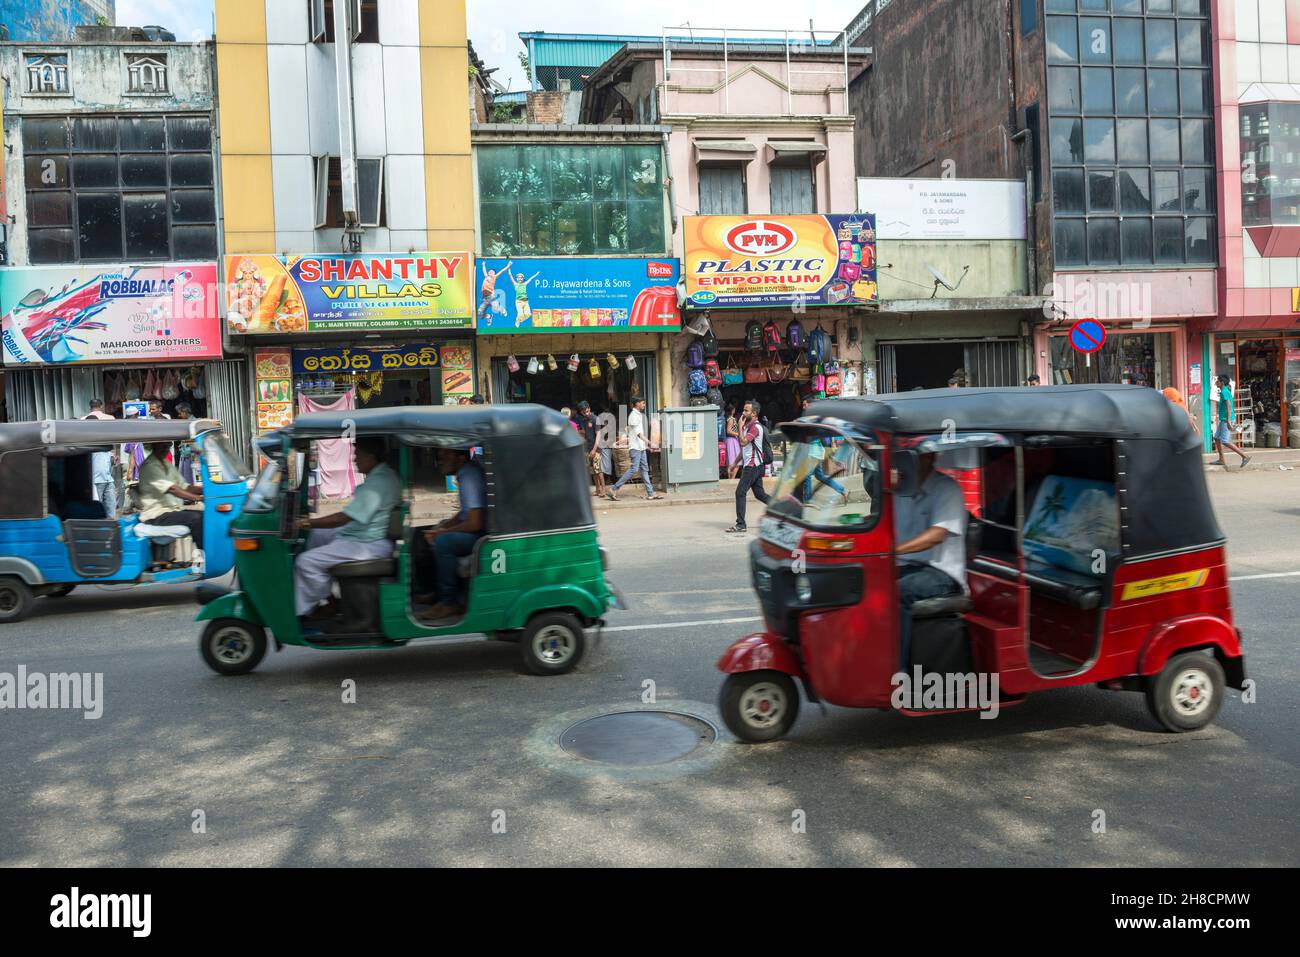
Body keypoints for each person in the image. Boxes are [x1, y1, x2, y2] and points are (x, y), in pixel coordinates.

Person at [293, 437, 401, 622]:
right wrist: (312, 525)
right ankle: (326, 594)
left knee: (305, 562)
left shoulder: (378, 483)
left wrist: (308, 523)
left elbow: (344, 517)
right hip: (363, 533)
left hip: (368, 541)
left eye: (357, 455)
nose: (354, 459)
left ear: (372, 457)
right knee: (317, 535)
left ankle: (328, 604)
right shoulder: (380, 476)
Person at [894, 452, 967, 667]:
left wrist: (893, 550)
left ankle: (899, 671)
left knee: (898, 592)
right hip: (906, 566)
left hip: (941, 573)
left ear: (929, 457)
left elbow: (936, 535)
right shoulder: (901, 490)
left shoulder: (946, 488)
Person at [415, 448, 486, 622]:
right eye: (440, 456)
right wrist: (443, 525)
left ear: (461, 457)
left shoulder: (468, 475)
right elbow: (465, 512)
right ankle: (435, 592)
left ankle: (448, 602)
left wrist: (442, 532)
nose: (440, 460)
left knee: (443, 542)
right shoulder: (465, 472)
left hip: (480, 536)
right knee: (421, 533)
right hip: (474, 530)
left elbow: (475, 522)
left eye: (446, 455)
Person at [137, 441, 204, 546]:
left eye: (167, 446)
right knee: (196, 519)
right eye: (162, 446)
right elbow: (172, 489)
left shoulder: (166, 463)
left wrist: (206, 490)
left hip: (170, 511)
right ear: (154, 445)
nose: (165, 449)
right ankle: (206, 554)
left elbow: (185, 487)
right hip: (156, 515)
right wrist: (199, 498)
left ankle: (208, 551)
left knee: (205, 515)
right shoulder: (149, 466)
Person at [726, 400, 770, 533]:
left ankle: (740, 524)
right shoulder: (747, 426)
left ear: (754, 413)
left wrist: (739, 426)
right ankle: (782, 510)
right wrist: (734, 463)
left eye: (746, 411)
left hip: (753, 466)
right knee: (759, 494)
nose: (743, 413)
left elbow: (744, 442)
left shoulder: (756, 427)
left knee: (740, 492)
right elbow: (744, 449)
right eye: (743, 410)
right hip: (752, 465)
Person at [607, 397, 660, 500]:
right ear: (637, 404)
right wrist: (650, 443)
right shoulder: (633, 416)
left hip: (641, 448)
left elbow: (638, 435)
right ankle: (614, 488)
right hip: (635, 448)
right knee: (634, 469)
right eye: (642, 403)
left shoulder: (638, 415)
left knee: (645, 469)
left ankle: (650, 493)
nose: (644, 404)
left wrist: (646, 447)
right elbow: (638, 434)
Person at [799, 397, 846, 502]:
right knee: (820, 476)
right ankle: (842, 490)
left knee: (807, 477)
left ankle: (808, 501)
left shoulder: (814, 418)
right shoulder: (809, 418)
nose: (803, 406)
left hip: (814, 452)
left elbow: (819, 436)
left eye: (805, 404)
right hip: (815, 452)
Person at [84, 399, 118, 519]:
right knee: (98, 511)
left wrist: (112, 457)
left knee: (111, 509)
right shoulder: (85, 442)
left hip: (108, 479)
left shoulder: (102, 437)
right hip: (95, 481)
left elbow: (109, 452)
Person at [1212, 375, 1250, 469]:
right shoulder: (1225, 391)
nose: (1216, 382)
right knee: (1217, 438)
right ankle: (1221, 459)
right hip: (1224, 419)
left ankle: (1245, 456)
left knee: (1225, 441)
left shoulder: (1224, 392)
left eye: (1217, 381)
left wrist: (1228, 421)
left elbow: (1229, 407)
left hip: (1226, 420)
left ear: (1222, 383)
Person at [577, 401, 607, 497]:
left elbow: (598, 434)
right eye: (583, 412)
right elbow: (584, 434)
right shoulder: (583, 420)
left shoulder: (595, 419)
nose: (586, 413)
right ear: (581, 412)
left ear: (589, 408)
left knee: (598, 470)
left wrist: (594, 449)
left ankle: (603, 489)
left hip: (596, 448)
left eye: (587, 410)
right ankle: (597, 489)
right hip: (587, 448)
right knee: (593, 471)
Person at [724, 403, 741, 480]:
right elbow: (728, 431)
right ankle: (732, 479)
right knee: (734, 461)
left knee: (731, 461)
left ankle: (731, 478)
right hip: (732, 440)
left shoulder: (727, 418)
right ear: (733, 410)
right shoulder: (731, 419)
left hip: (730, 440)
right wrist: (738, 434)